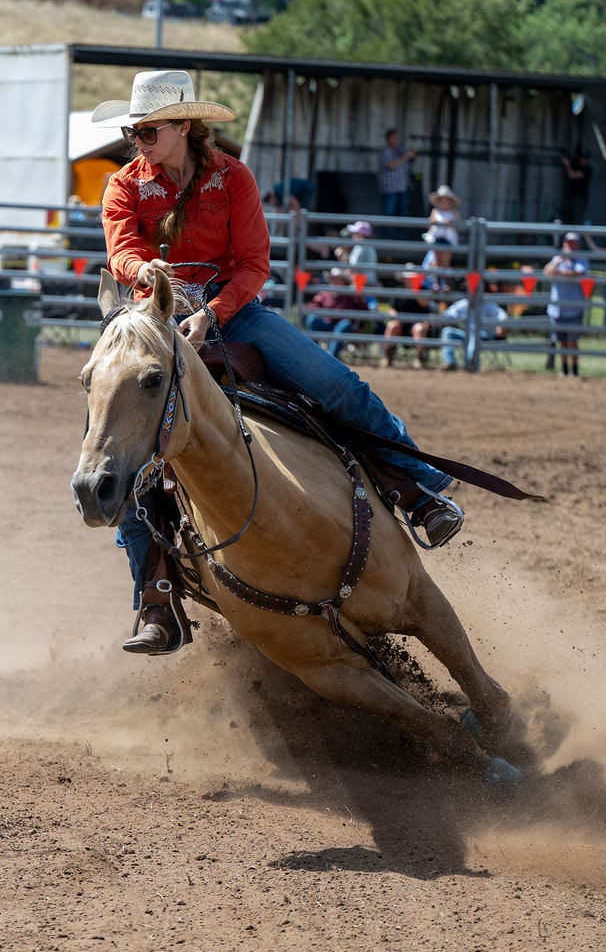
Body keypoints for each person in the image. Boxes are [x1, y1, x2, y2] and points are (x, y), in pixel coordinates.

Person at [93, 69, 464, 656]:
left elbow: (252, 262)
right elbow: (122, 249)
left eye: (148, 129)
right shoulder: (125, 185)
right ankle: (156, 600)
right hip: (155, 318)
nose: (137, 138)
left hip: (233, 310)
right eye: (134, 130)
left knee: (336, 386)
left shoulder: (232, 178)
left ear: (183, 127)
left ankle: (418, 492)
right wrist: (147, 275)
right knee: (123, 444)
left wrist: (212, 312)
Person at [544, 231, 589, 377]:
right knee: (562, 341)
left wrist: (560, 272)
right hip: (558, 308)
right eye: (567, 243)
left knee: (573, 341)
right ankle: (564, 369)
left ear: (578, 245)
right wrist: (558, 263)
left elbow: (578, 273)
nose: (570, 246)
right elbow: (548, 272)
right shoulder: (557, 258)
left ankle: (575, 370)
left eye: (573, 243)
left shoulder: (581, 259)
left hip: (574, 307)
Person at [303, 266, 372, 359]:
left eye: (337, 280)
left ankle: (331, 358)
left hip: (341, 325)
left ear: (344, 282)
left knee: (345, 324)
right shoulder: (324, 294)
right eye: (332, 280)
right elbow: (312, 306)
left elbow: (365, 310)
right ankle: (311, 355)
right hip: (325, 323)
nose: (334, 282)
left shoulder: (351, 295)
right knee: (313, 319)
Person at [438, 291, 507, 371]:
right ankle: (450, 363)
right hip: (466, 334)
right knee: (447, 331)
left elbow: (502, 315)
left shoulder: (488, 304)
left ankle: (469, 363)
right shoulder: (464, 303)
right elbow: (448, 314)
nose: (473, 296)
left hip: (484, 335)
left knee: (474, 334)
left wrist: (501, 325)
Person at [382, 265, 435, 369]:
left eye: (412, 278)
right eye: (408, 278)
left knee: (419, 328)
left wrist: (415, 290)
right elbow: (392, 309)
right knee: (392, 325)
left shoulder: (423, 290)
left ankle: (418, 359)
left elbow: (424, 304)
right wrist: (395, 318)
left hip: (417, 322)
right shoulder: (398, 290)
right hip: (401, 322)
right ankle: (387, 358)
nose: (409, 280)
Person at [378, 129, 417, 230]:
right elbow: (393, 165)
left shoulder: (401, 150)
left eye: (397, 137)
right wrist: (406, 156)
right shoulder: (385, 152)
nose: (396, 140)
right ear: (388, 139)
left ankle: (400, 241)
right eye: (394, 138)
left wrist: (413, 154)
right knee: (389, 215)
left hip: (403, 188)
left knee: (403, 215)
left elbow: (413, 159)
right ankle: (387, 240)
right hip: (390, 190)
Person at [560, 147, 592, 224]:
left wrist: (567, 165)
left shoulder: (587, 170)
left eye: (585, 158)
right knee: (565, 219)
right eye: (582, 158)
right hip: (570, 198)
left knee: (577, 221)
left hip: (579, 200)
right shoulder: (575, 166)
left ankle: (584, 236)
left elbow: (572, 175)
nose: (583, 160)